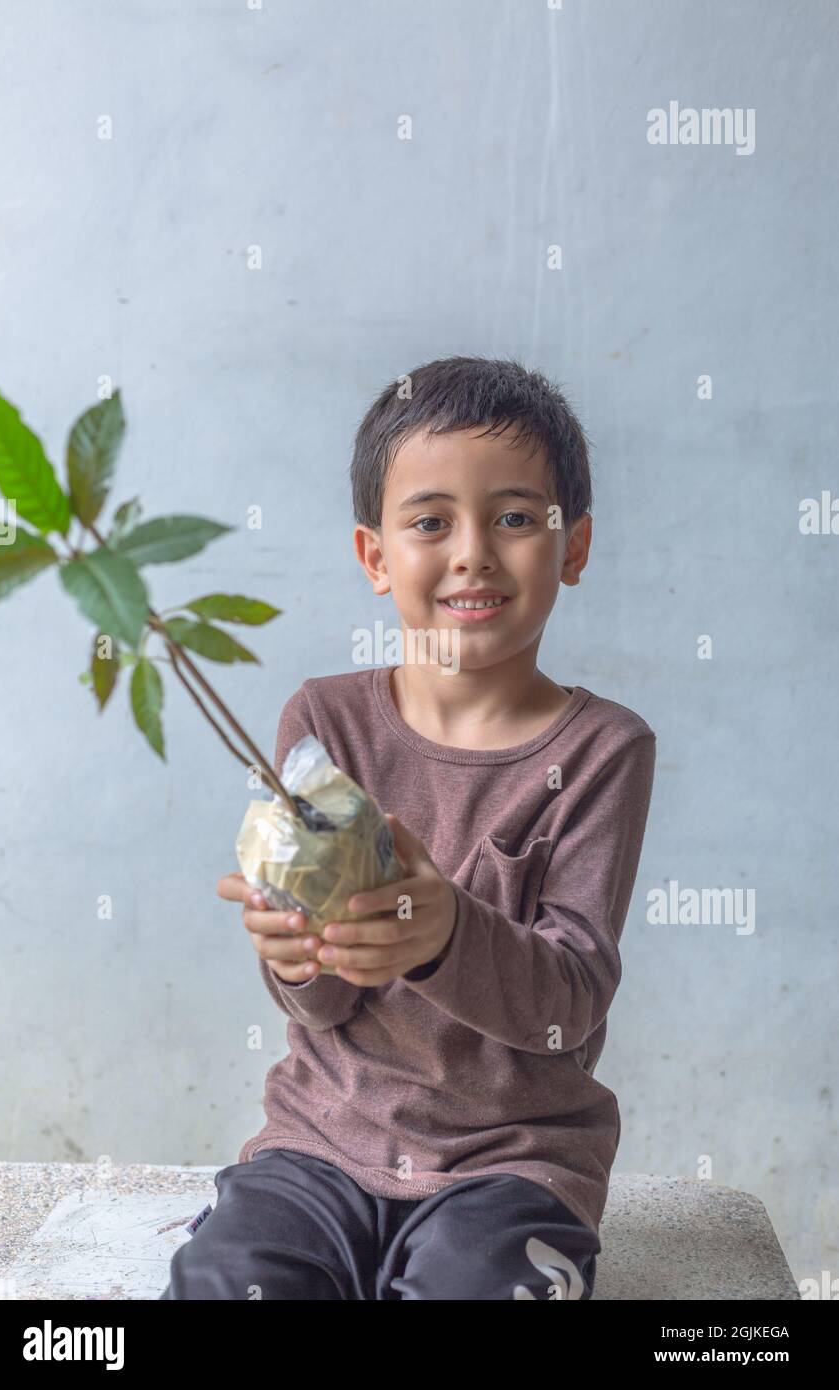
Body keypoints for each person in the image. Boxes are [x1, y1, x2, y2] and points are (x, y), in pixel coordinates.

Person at [159, 355, 656, 1300]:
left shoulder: (604, 749)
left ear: (574, 546)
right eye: (431, 522)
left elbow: (571, 1002)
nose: (472, 551)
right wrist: (296, 954)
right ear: (377, 558)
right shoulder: (325, 721)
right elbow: (319, 1007)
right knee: (222, 1280)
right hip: (321, 1142)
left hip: (513, 1163)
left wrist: (445, 934)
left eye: (515, 517)